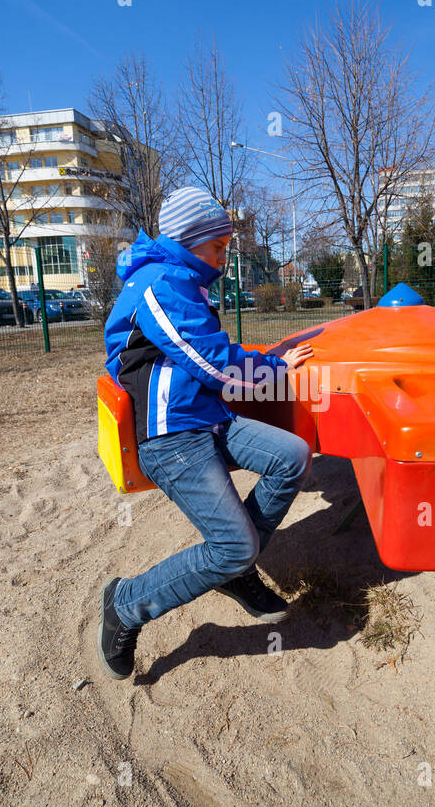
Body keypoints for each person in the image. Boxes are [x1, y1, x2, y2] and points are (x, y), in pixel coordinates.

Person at [98, 187, 315, 680]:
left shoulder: (183, 281)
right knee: (234, 544)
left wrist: (266, 362)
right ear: (190, 241)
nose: (223, 255)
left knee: (293, 456)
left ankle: (235, 569)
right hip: (170, 438)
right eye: (217, 246)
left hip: (207, 420)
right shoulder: (159, 285)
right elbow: (213, 362)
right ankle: (126, 604)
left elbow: (207, 352)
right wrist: (275, 367)